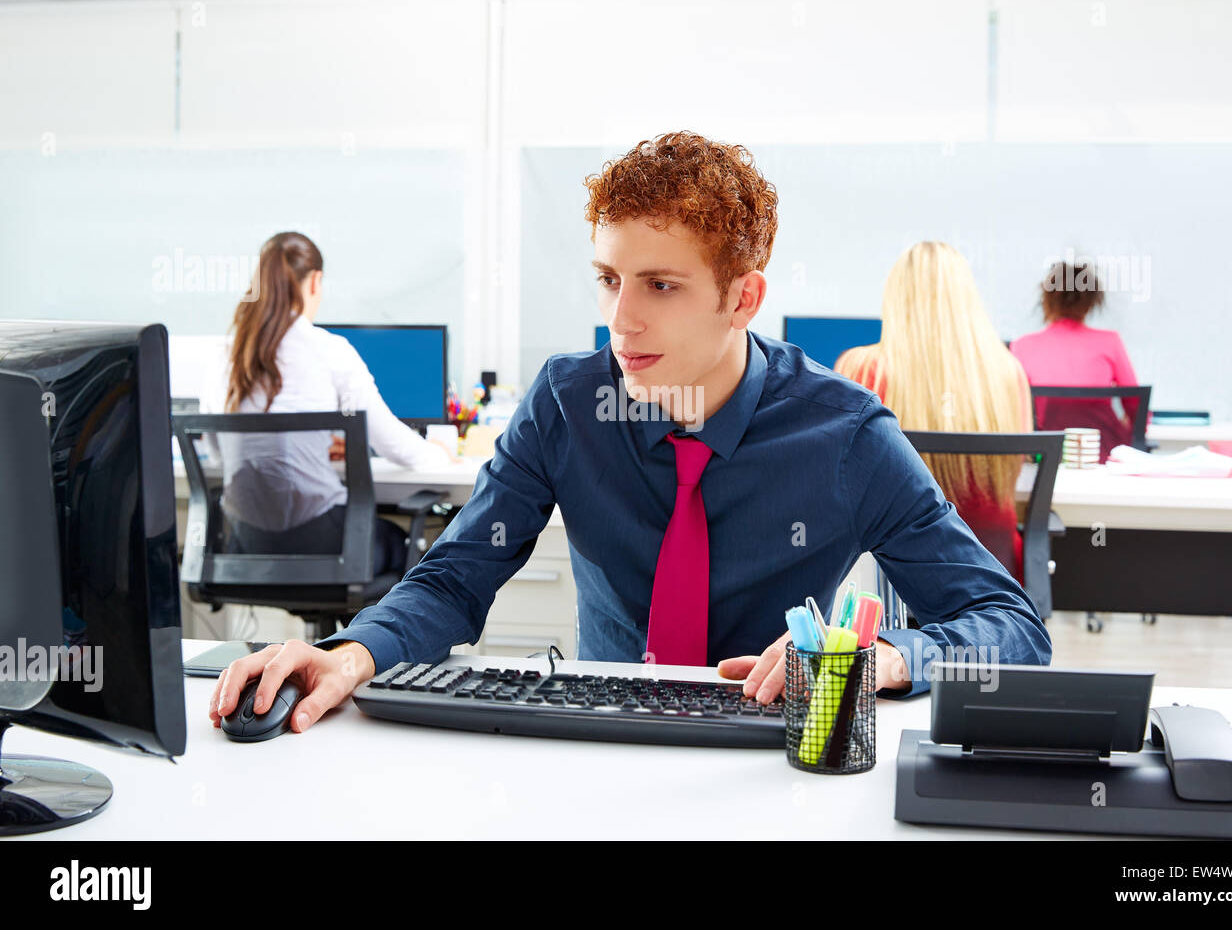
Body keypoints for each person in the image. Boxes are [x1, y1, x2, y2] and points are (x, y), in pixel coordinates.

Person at [211, 133, 1050, 735]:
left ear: (742, 298)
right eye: (609, 279)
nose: (621, 318)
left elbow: (1010, 626)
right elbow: (456, 578)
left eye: (660, 285)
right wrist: (353, 653)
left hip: (770, 753)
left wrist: (888, 659)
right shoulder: (568, 404)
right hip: (598, 735)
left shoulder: (844, 433)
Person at [200, 231, 451, 577]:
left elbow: (217, 455)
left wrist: (311, 448)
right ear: (315, 281)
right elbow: (392, 443)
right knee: (401, 541)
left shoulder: (225, 358)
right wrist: (439, 453)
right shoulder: (330, 351)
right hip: (326, 544)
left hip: (247, 543)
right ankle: (359, 634)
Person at [835, 242, 1033, 582]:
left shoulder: (861, 368)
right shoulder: (1009, 372)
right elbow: (1020, 468)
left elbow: (837, 476)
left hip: (889, 575)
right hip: (990, 566)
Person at [1010, 260, 1141, 461]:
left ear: (1046, 300)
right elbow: (1136, 409)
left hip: (1045, 457)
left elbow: (1013, 413)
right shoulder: (1110, 342)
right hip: (1104, 454)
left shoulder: (1022, 346)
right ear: (1091, 303)